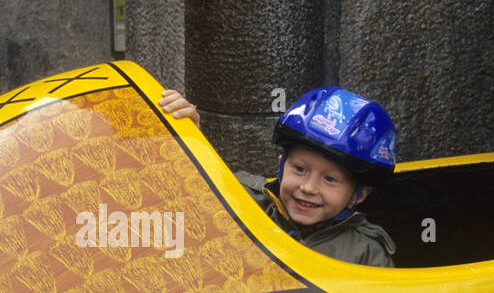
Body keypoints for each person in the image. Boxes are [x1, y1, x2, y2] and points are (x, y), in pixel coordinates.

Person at [160, 88, 397, 267]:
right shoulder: (248, 201)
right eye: (300, 169)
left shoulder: (366, 253)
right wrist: (188, 138)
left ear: (357, 196)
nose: (309, 188)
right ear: (280, 167)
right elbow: (193, 191)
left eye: (330, 179)